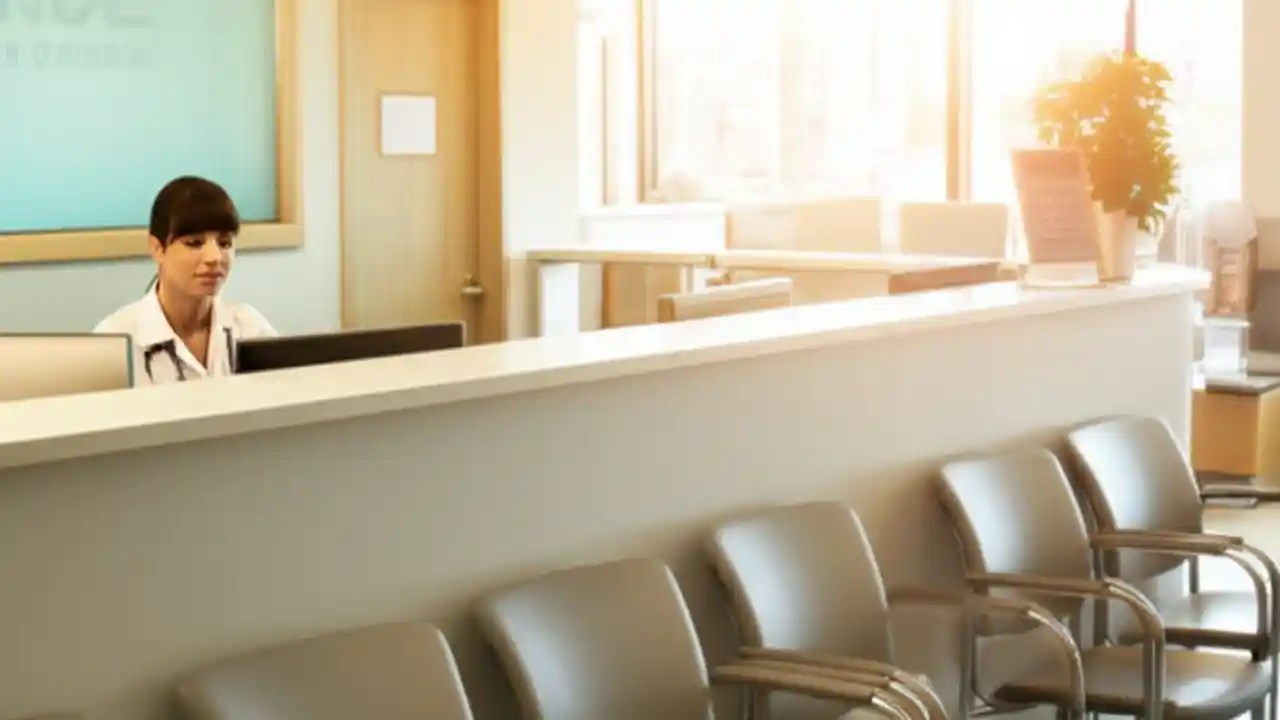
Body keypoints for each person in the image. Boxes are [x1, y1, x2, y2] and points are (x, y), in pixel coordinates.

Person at [95, 176, 276, 385]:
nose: (215, 257)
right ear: (158, 248)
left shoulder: (250, 327)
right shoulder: (115, 340)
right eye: (195, 243)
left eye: (225, 243)